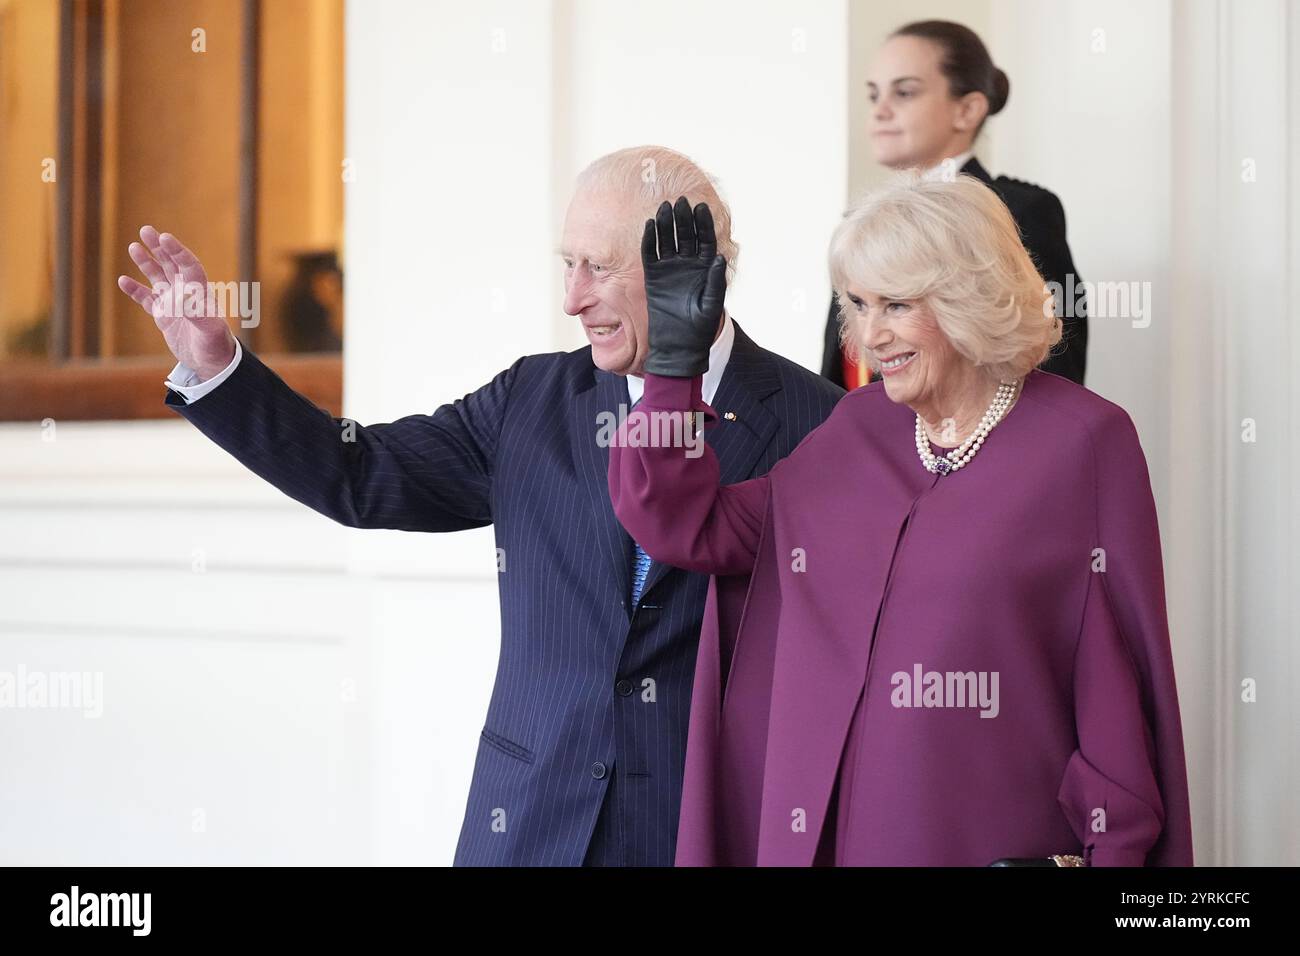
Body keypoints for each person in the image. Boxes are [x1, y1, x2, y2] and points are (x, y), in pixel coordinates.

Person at [115, 146, 844, 866]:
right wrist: (218, 367)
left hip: (705, 831)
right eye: (568, 264)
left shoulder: (819, 423)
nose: (573, 297)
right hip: (529, 823)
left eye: (600, 267)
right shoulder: (530, 402)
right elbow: (359, 474)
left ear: (691, 273)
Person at [608, 173, 1193, 866]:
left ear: (968, 297)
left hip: (987, 838)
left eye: (896, 305)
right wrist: (674, 371)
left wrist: (1113, 850)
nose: (868, 336)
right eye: (856, 305)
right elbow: (687, 524)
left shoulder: (1082, 442)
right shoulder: (857, 428)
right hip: (825, 836)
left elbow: (1116, 673)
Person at [821, 19, 1088, 389]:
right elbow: (842, 371)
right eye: (873, 95)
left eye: (905, 92)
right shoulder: (862, 224)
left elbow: (1055, 368)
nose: (880, 111)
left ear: (968, 110)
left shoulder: (1019, 211)